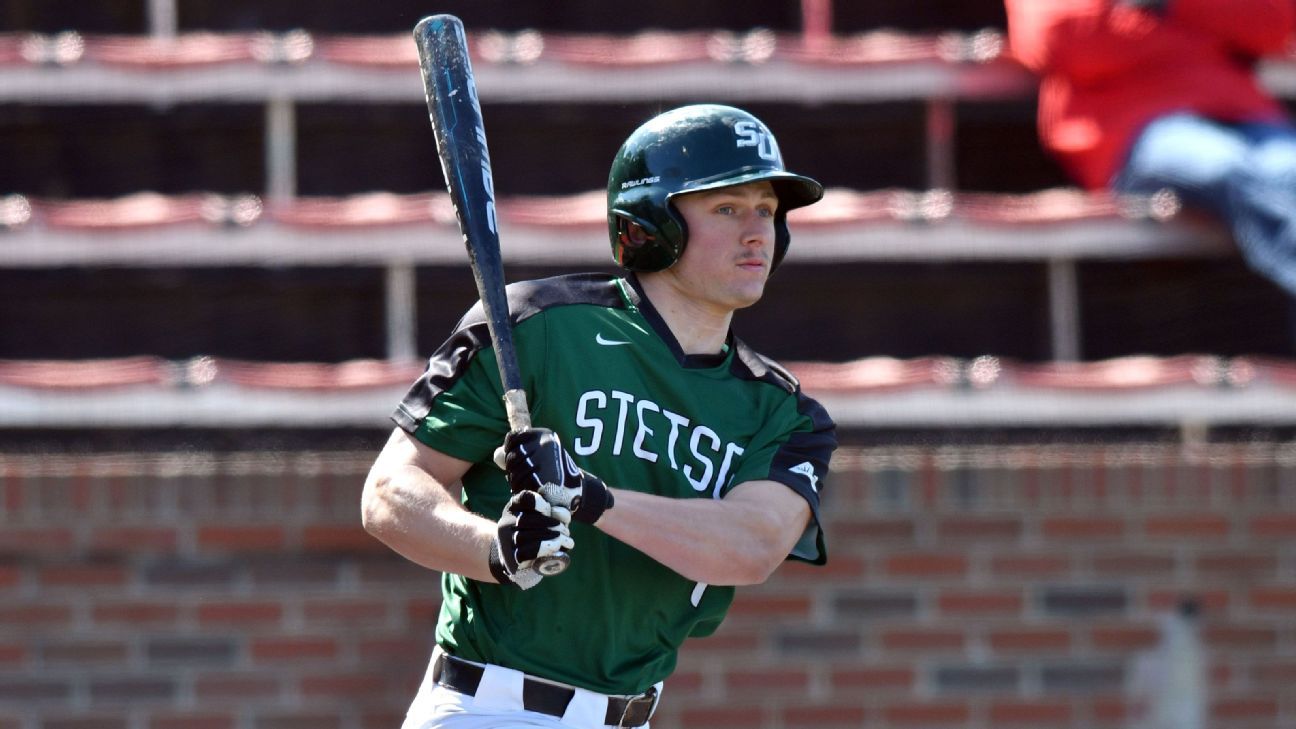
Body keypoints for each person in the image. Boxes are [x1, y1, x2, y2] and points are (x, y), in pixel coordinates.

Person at [362, 103, 837, 729]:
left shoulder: (783, 410)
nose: (758, 232)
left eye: (768, 211)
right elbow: (390, 493)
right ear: (650, 222)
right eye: (727, 208)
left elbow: (750, 547)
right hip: (488, 707)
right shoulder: (538, 327)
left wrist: (590, 499)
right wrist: (497, 550)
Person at [1004, 0, 1296, 299]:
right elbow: (1061, 37)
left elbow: (1274, 24)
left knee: (1288, 172)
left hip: (1244, 115)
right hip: (1135, 130)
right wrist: (1203, 35)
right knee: (1228, 168)